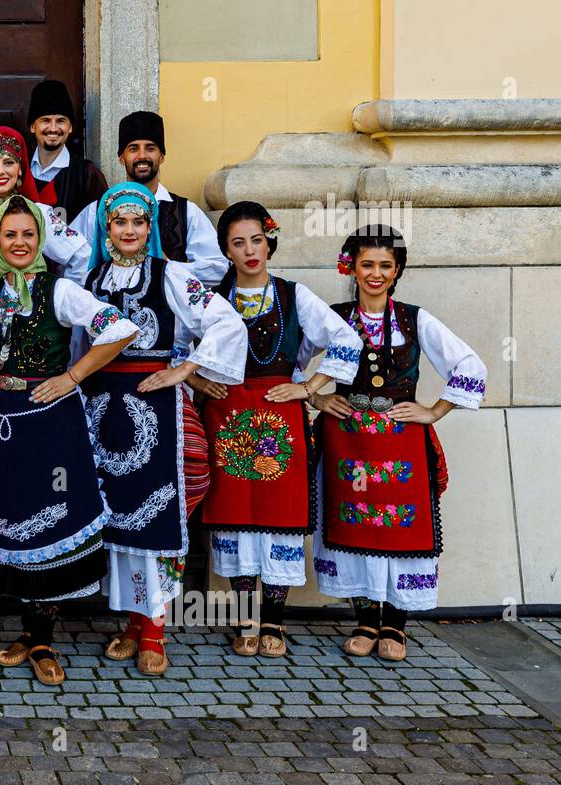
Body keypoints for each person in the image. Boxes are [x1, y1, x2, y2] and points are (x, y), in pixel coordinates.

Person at [0, 196, 137, 685]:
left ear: (40, 241)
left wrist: (73, 376)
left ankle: (42, 637)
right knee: (16, 516)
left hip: (49, 422)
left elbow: (119, 329)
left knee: (48, 518)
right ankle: (26, 630)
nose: (19, 243)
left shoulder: (60, 291)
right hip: (2, 420)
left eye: (27, 235)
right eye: (9, 235)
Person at [79, 184, 245, 675]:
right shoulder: (91, 279)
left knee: (156, 516)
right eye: (119, 223)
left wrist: (184, 369)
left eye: (138, 223)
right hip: (102, 408)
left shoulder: (171, 274)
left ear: (149, 228)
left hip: (155, 404)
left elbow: (226, 323)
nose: (129, 231)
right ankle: (132, 623)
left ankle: (154, 631)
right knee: (118, 517)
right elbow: (78, 349)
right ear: (106, 229)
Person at [190, 201, 362, 658]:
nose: (250, 251)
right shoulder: (209, 298)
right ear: (226, 250)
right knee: (235, 516)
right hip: (224, 415)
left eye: (256, 240)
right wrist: (197, 379)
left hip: (278, 415)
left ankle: (275, 622)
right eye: (238, 242)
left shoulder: (293, 294)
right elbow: (174, 347)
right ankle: (246, 619)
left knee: (277, 515)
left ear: (270, 241)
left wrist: (308, 388)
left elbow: (347, 339)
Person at [311, 225, 486, 662]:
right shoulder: (334, 316)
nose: (375, 273)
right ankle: (366, 620)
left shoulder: (414, 318)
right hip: (347, 443)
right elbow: (289, 362)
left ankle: (396, 625)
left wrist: (433, 411)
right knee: (354, 524)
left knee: (400, 525)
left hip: (400, 445)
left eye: (385, 266)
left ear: (398, 270)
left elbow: (468, 363)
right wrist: (318, 395)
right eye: (367, 264)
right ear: (350, 266)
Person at [70, 111, 227, 285]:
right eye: (133, 148)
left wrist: (169, 267)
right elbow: (72, 264)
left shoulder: (185, 211)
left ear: (162, 156)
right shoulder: (98, 210)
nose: (142, 156)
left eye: (150, 148)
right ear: (121, 158)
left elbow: (218, 270)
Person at [0, 126, 91, 314]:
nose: (1, 171)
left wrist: (60, 301)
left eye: (9, 163)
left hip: (26, 310)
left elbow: (81, 254)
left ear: (20, 168)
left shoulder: (39, 214)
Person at [25, 79, 107, 225]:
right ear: (32, 126)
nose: (53, 128)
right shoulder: (18, 168)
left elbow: (101, 230)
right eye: (45, 120)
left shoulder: (87, 176)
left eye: (61, 121)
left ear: (70, 127)